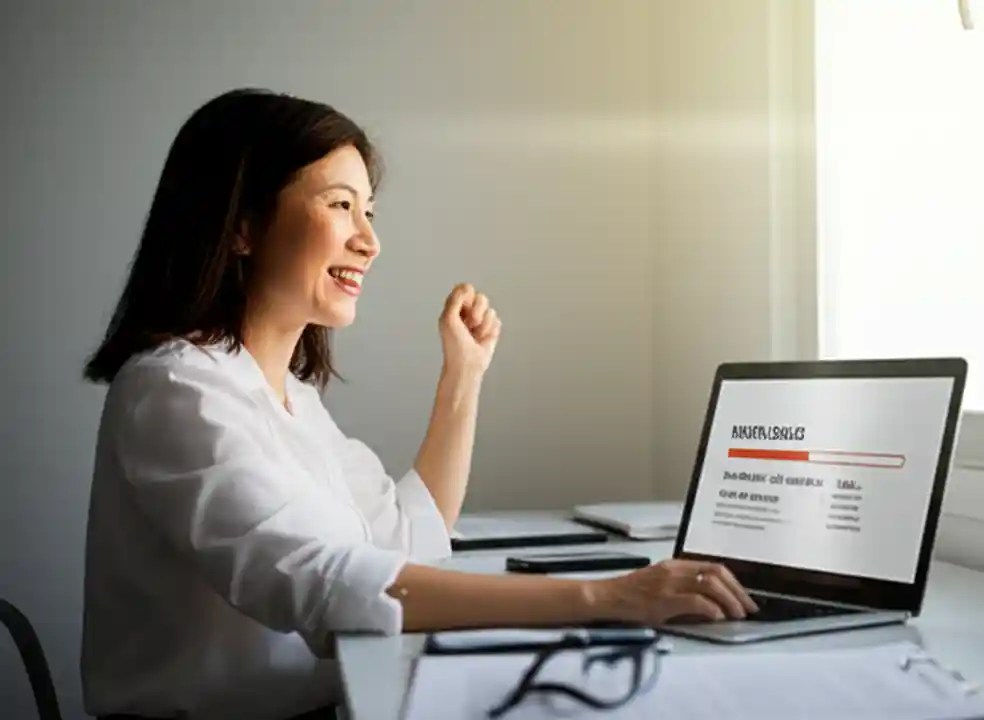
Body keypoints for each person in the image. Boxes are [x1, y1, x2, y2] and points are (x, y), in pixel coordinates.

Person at [80, 88, 756, 720]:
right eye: (340, 205)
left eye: (368, 211)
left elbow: (407, 537)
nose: (369, 240)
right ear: (243, 226)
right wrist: (608, 599)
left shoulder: (288, 399)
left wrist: (463, 374)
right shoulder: (175, 391)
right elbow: (324, 586)